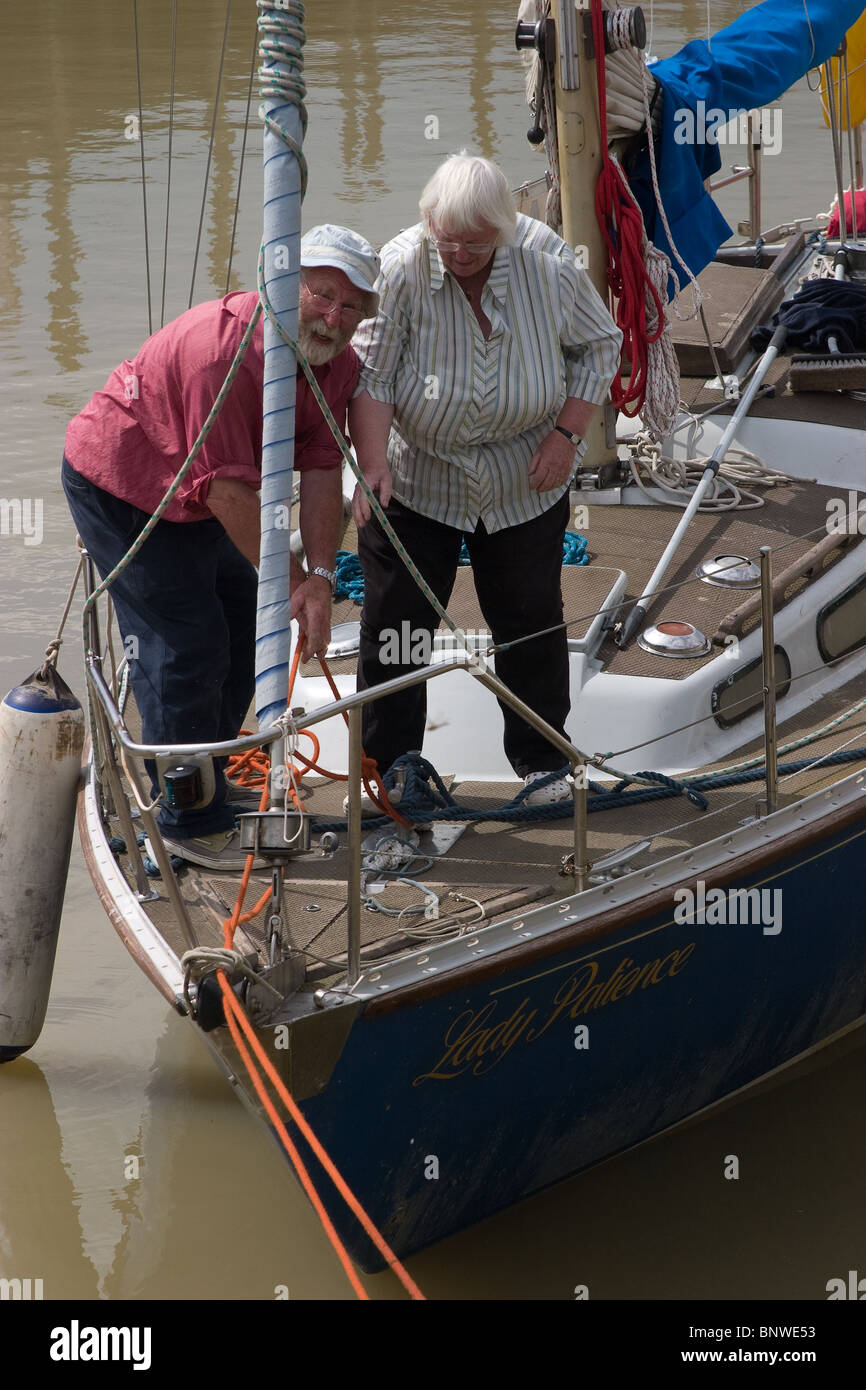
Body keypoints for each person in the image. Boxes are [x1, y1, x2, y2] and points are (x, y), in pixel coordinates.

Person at [63, 224, 380, 868]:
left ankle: (208, 778)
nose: (333, 317)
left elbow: (322, 470)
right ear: (283, 287)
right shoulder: (221, 355)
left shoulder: (337, 364)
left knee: (246, 622)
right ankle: (182, 820)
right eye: (320, 296)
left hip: (213, 486)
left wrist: (319, 574)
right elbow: (229, 496)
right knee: (186, 642)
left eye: (350, 307)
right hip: (126, 483)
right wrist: (295, 581)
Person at [349, 153, 622, 805]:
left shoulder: (547, 259)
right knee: (396, 624)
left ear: (503, 229)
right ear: (427, 225)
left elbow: (600, 344)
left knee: (528, 617)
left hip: (524, 470)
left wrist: (567, 435)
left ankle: (542, 763)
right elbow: (373, 376)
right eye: (447, 239)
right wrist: (373, 461)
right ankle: (389, 767)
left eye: (474, 241)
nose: (459, 253)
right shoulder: (401, 266)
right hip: (419, 475)